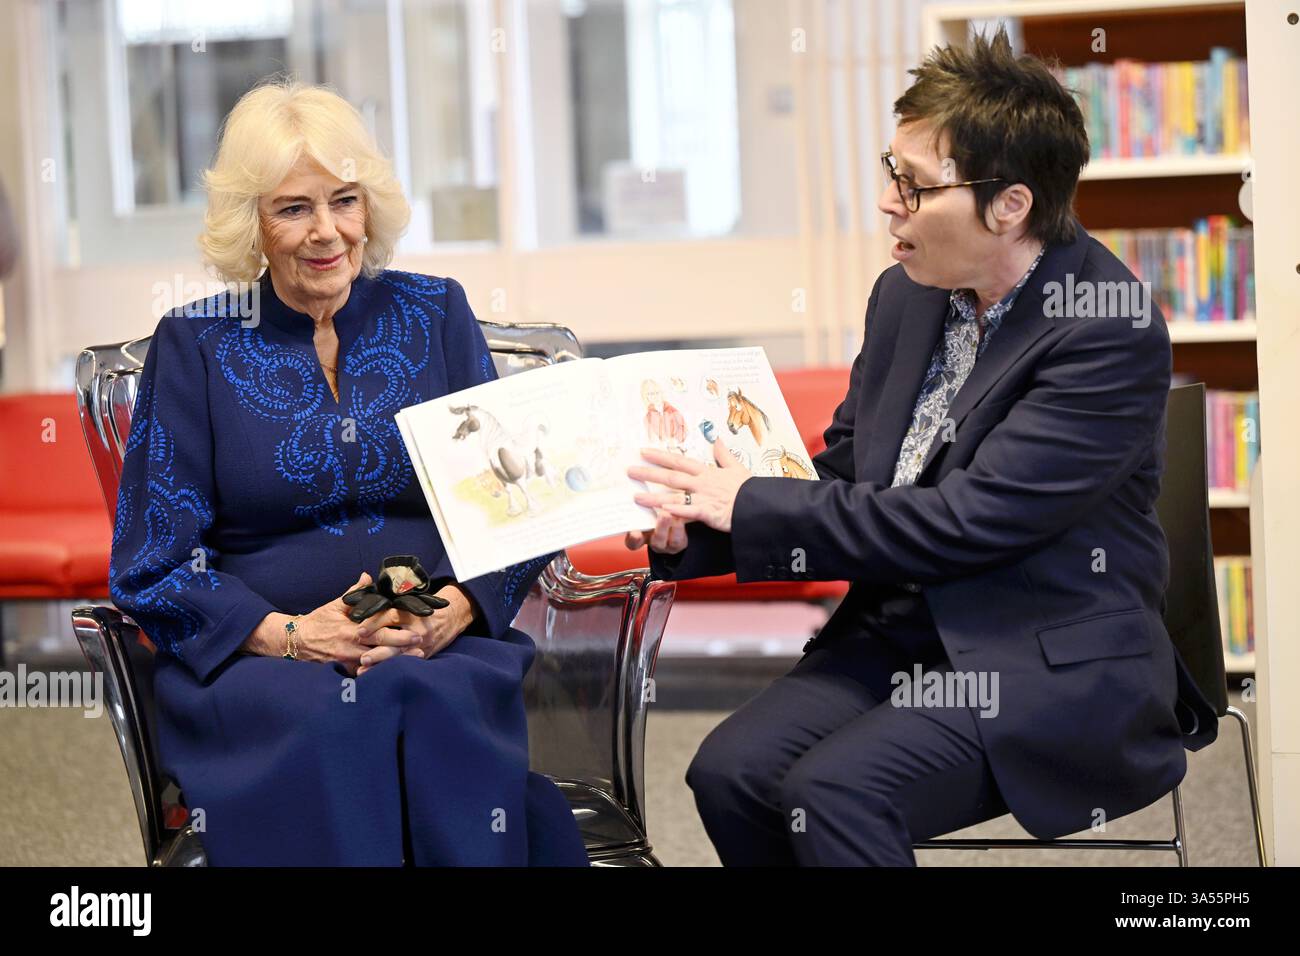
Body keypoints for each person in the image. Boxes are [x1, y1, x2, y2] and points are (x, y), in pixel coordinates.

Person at [625, 29, 1217, 866]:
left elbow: (965, 523)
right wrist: (701, 519)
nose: (888, 201)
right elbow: (847, 472)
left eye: (915, 183)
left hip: (1045, 653)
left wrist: (752, 503)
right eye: (889, 170)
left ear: (1009, 205)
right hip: (902, 635)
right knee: (731, 773)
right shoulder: (907, 293)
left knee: (834, 794)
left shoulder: (1103, 327)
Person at [109, 79, 589, 866]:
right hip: (264, 664)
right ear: (252, 223)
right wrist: (296, 635)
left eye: (344, 201)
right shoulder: (195, 344)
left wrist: (456, 610)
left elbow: (515, 502)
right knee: (344, 715)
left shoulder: (435, 313)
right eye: (293, 208)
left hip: (432, 637)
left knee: (425, 693)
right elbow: (154, 563)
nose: (325, 232)